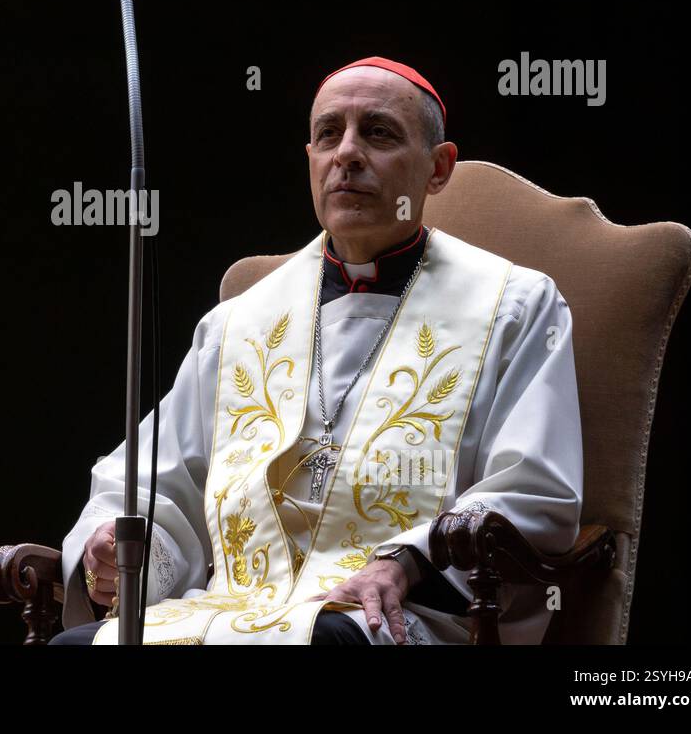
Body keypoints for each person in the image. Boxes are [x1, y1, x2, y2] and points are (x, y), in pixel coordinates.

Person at [50, 56, 584, 645]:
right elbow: (160, 484)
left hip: (399, 617)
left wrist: (404, 564)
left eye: (377, 133)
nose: (346, 153)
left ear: (438, 168)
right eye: (329, 134)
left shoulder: (514, 305)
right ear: (310, 160)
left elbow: (535, 488)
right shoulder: (237, 323)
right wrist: (124, 542)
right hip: (233, 611)